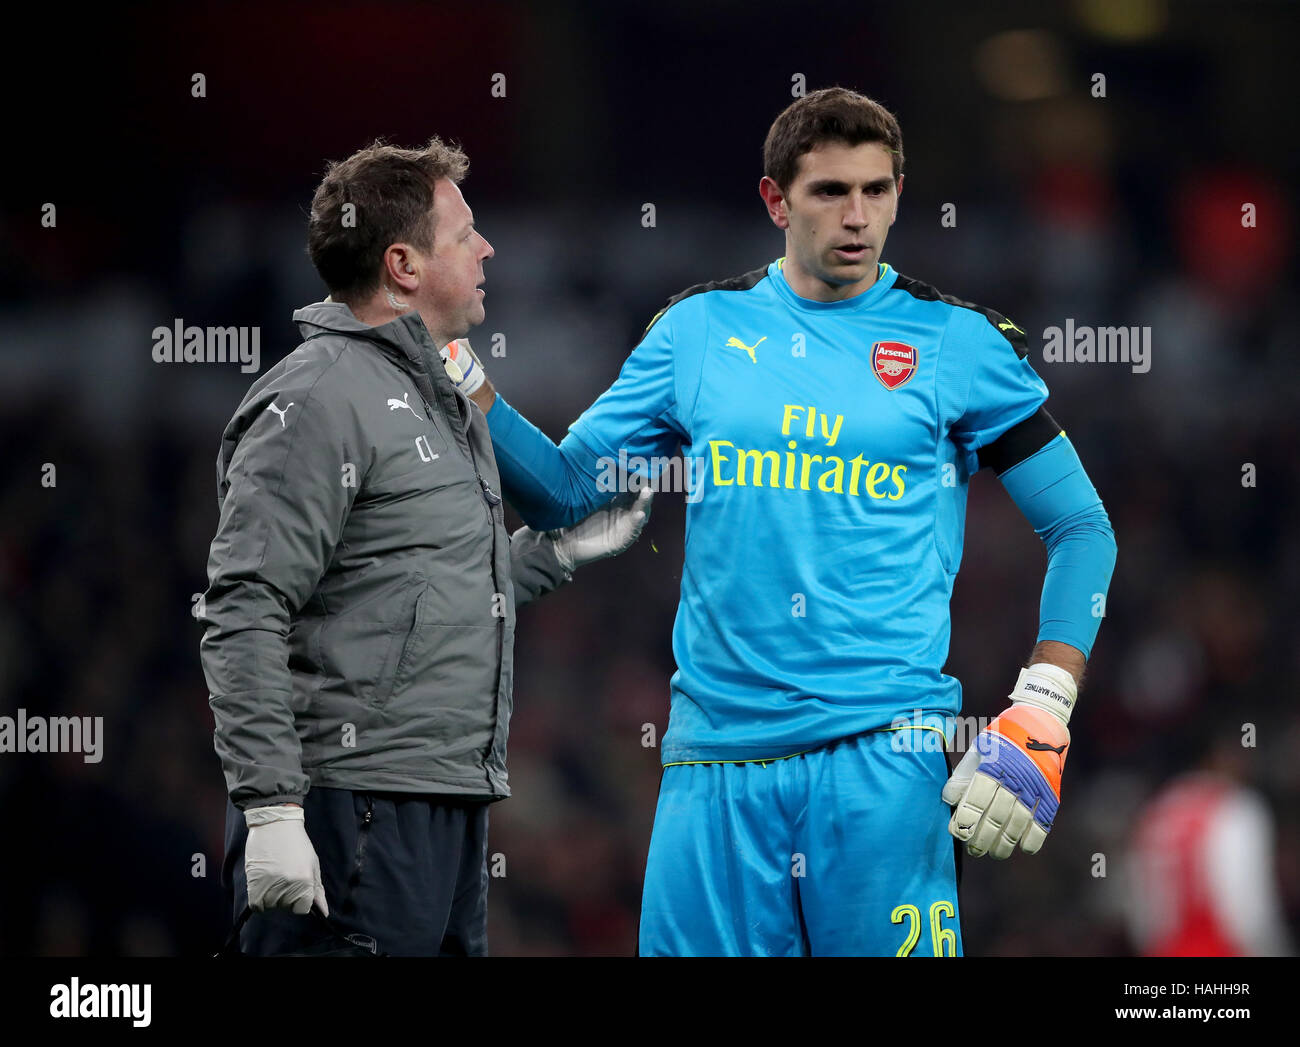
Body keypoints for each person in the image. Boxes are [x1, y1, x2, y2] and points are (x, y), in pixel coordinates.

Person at [450, 88, 1117, 955]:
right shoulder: (697, 332)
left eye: (877, 191)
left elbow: (1083, 527)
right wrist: (460, 374)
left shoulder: (956, 343)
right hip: (711, 770)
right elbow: (569, 488)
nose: (857, 216)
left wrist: (1044, 704)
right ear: (775, 201)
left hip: (884, 766)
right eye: (829, 191)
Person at [198, 137, 651, 957]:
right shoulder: (316, 396)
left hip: (445, 806)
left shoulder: (442, 394)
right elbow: (245, 607)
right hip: (350, 804)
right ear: (404, 263)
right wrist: (269, 807)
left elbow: (420, 592)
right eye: (464, 233)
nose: (486, 248)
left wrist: (555, 555)